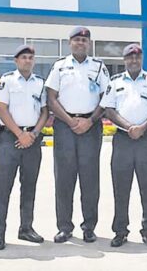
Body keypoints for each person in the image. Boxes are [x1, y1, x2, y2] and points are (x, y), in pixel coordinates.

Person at [45, 26, 110, 243]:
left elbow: (106, 98)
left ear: (89, 43)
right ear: (70, 42)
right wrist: (71, 121)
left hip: (91, 126)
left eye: (84, 39)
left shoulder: (99, 67)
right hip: (65, 127)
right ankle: (64, 227)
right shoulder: (59, 67)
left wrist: (90, 121)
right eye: (77, 39)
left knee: (90, 179)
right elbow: (51, 98)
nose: (81, 42)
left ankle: (89, 227)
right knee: (64, 178)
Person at [101, 43, 147, 248]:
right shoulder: (115, 82)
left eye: (137, 57)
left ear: (142, 58)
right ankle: (120, 231)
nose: (133, 60)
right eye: (129, 57)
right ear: (124, 60)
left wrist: (143, 126)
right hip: (123, 139)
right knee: (121, 188)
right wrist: (130, 127)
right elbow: (109, 110)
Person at [0, 44, 49, 250]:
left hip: (32, 140)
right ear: (16, 61)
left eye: (30, 57)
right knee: (4, 187)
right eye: (23, 57)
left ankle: (26, 228)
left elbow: (44, 112)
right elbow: (1, 109)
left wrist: (33, 134)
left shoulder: (40, 83)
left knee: (29, 186)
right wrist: (20, 134)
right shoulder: (6, 81)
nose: (27, 60)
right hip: (10, 139)